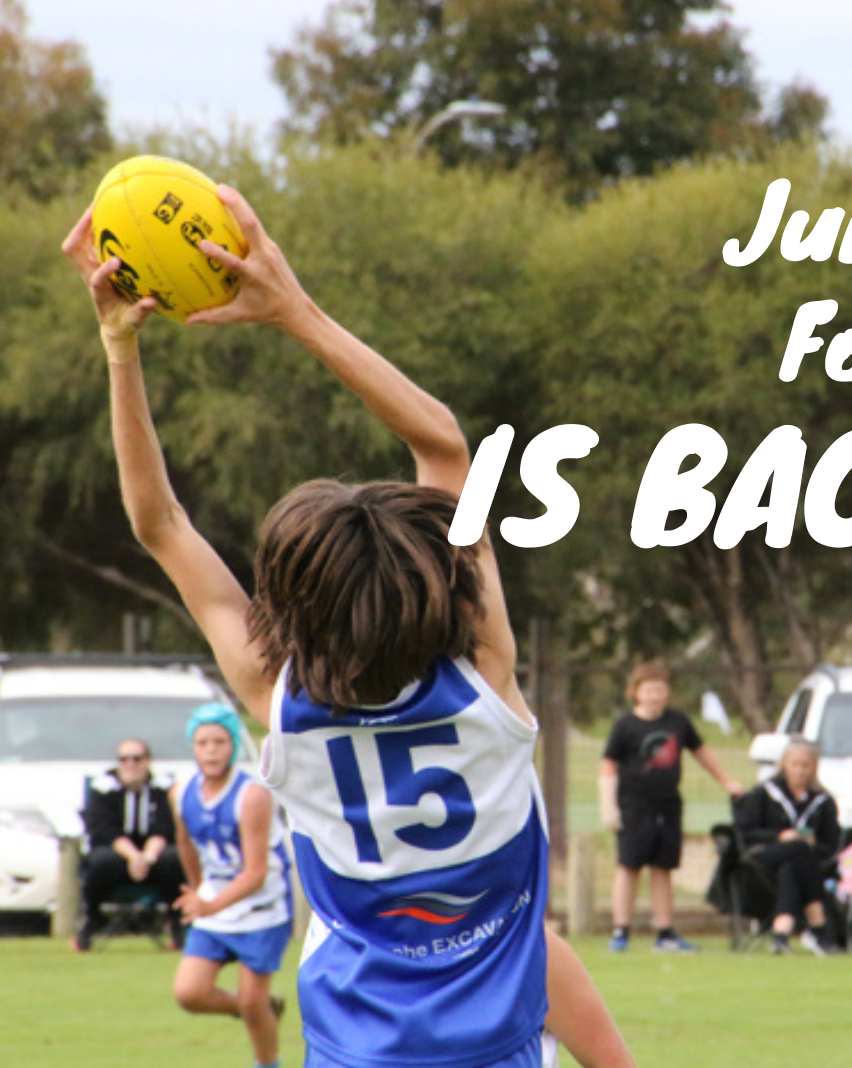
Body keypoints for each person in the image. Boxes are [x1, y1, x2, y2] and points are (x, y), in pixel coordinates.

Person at [62, 192, 634, 1068]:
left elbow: (160, 524)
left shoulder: (278, 698)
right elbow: (444, 447)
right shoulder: (484, 676)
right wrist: (295, 311)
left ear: (290, 606)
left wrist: (119, 346)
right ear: (433, 585)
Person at [171, 702, 292, 1068]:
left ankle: (267, 1061)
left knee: (252, 1001)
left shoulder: (252, 795)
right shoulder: (181, 791)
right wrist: (197, 889)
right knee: (189, 993)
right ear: (192, 746)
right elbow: (185, 841)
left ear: (234, 746)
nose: (211, 751)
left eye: (220, 742)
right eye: (203, 742)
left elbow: (256, 873)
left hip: (262, 908)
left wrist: (210, 905)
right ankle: (263, 1009)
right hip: (216, 904)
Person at [600, 662, 744, 953]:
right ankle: (621, 930)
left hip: (668, 807)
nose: (655, 696)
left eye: (660, 690)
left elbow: (701, 753)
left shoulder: (678, 722)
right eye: (648, 690)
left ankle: (665, 932)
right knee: (628, 867)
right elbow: (608, 765)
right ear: (636, 693)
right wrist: (609, 806)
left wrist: (726, 781)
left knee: (663, 868)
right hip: (633, 807)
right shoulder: (625, 726)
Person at [734, 736, 841, 955]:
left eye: (805, 766)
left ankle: (780, 935)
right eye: (795, 765)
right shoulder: (764, 793)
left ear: (814, 767)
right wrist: (780, 836)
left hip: (804, 866)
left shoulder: (823, 801)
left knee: (792, 865)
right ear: (784, 765)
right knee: (799, 849)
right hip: (763, 857)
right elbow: (746, 834)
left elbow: (831, 846)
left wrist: (812, 843)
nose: (800, 771)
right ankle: (818, 926)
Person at [78, 736, 185, 952]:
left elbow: (166, 827)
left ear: (147, 761)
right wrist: (134, 857)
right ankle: (92, 919)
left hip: (154, 857)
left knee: (173, 858)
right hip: (117, 857)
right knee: (100, 860)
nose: (130, 764)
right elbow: (103, 829)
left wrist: (147, 857)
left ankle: (177, 923)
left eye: (137, 758)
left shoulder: (163, 788)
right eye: (124, 759)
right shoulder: (103, 788)